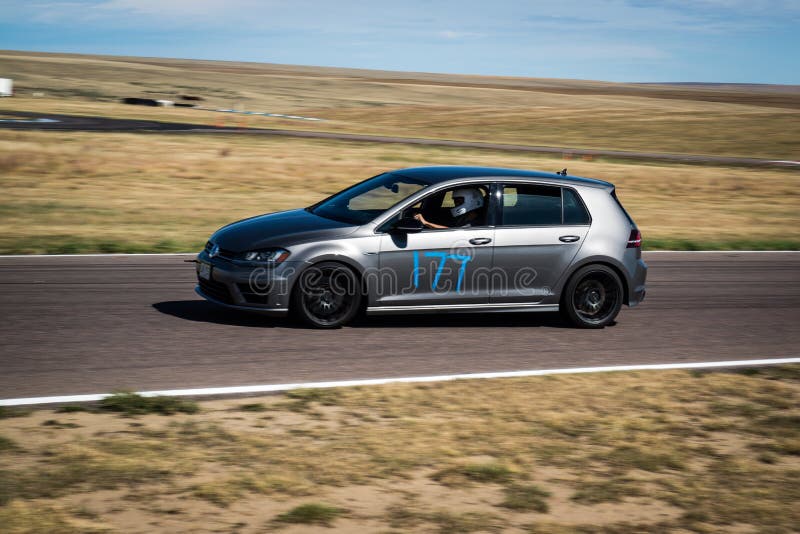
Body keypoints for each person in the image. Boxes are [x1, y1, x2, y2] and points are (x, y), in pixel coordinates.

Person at [414, 187, 484, 229]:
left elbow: (450, 231)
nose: (456, 204)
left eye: (459, 201)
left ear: (472, 200)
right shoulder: (463, 216)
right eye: (455, 201)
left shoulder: (476, 222)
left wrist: (425, 223)